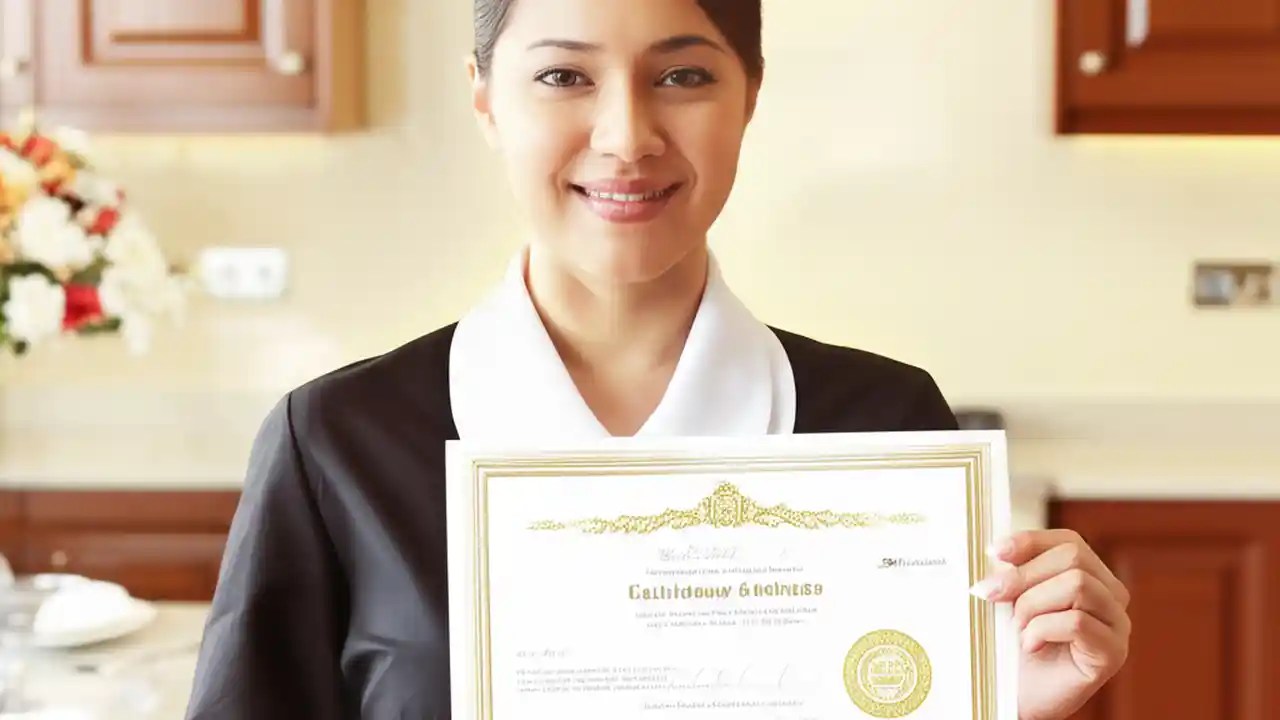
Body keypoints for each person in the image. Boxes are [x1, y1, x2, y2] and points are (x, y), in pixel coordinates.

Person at [184, 0, 1131, 718]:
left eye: (683, 77)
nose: (627, 136)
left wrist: (1008, 701)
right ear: (484, 99)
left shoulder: (886, 422)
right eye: (564, 77)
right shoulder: (339, 444)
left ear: (750, 97)